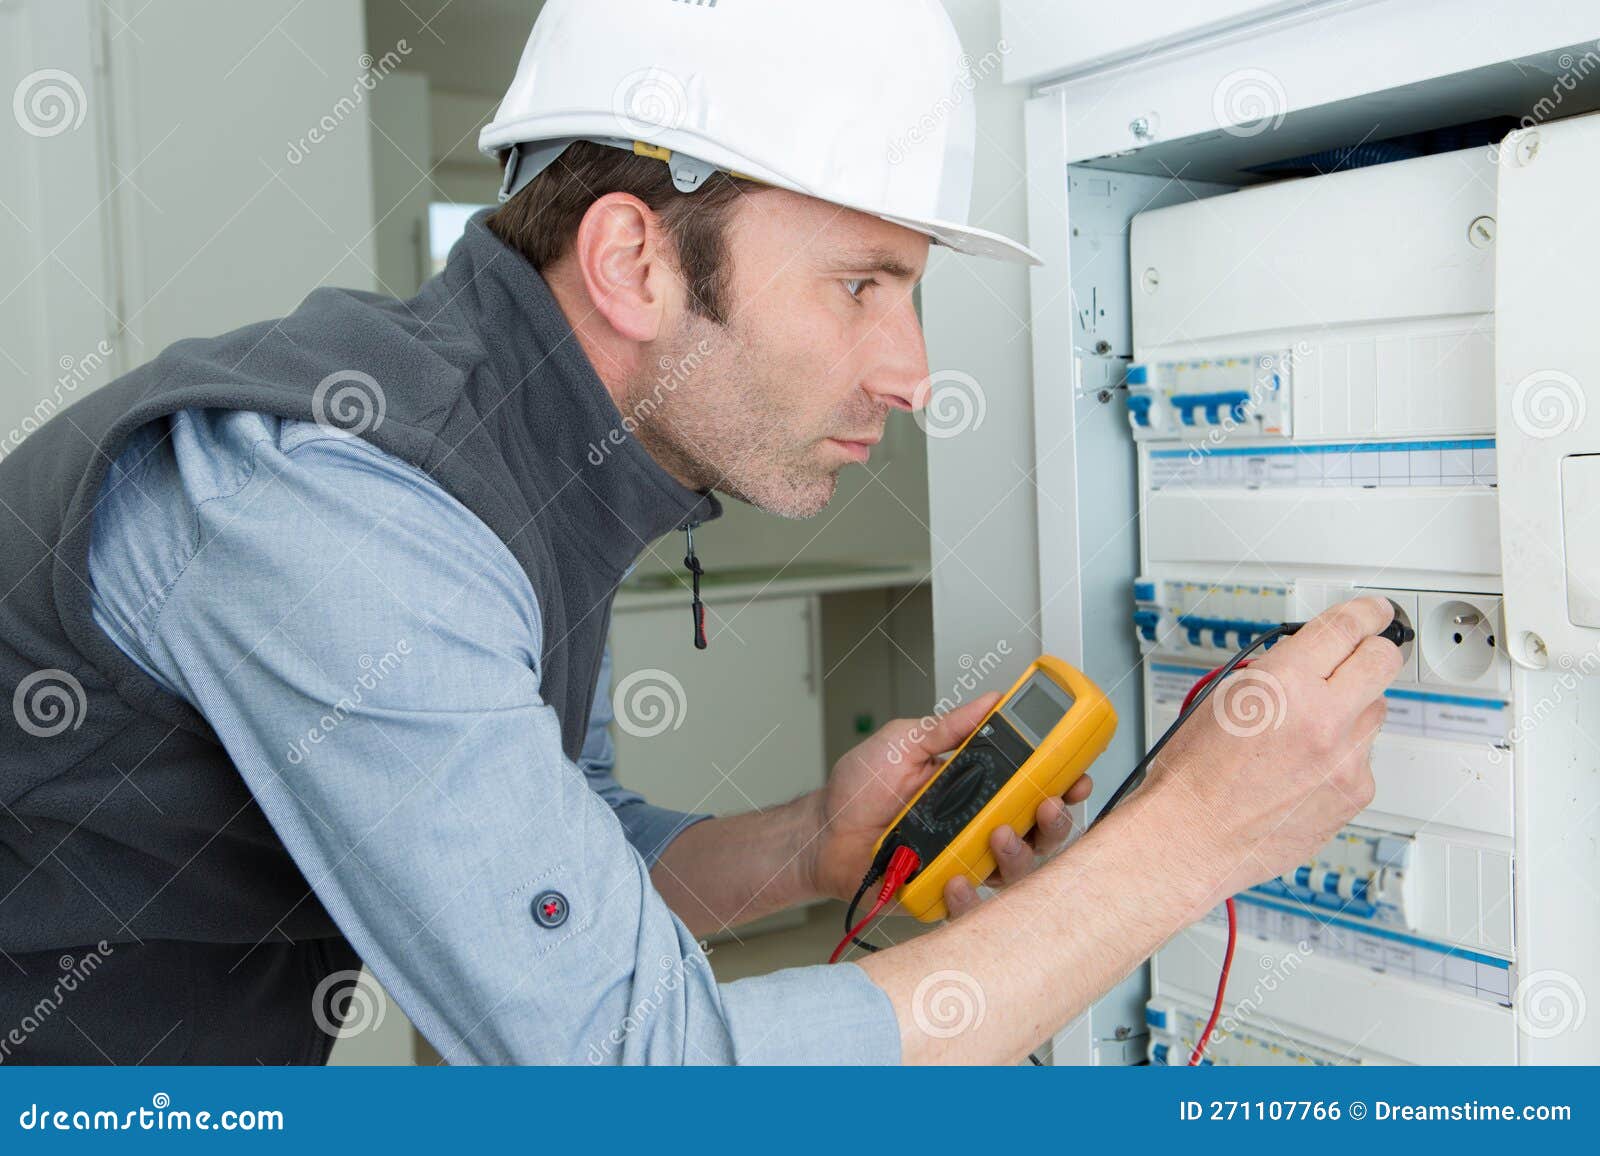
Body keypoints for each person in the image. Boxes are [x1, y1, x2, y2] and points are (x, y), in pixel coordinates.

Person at [0, 0, 1401, 1063]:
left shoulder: (534, 459)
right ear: (635, 260)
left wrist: (812, 848)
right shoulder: (346, 505)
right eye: (861, 286)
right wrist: (1193, 841)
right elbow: (635, 1072)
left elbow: (563, 850)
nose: (914, 373)